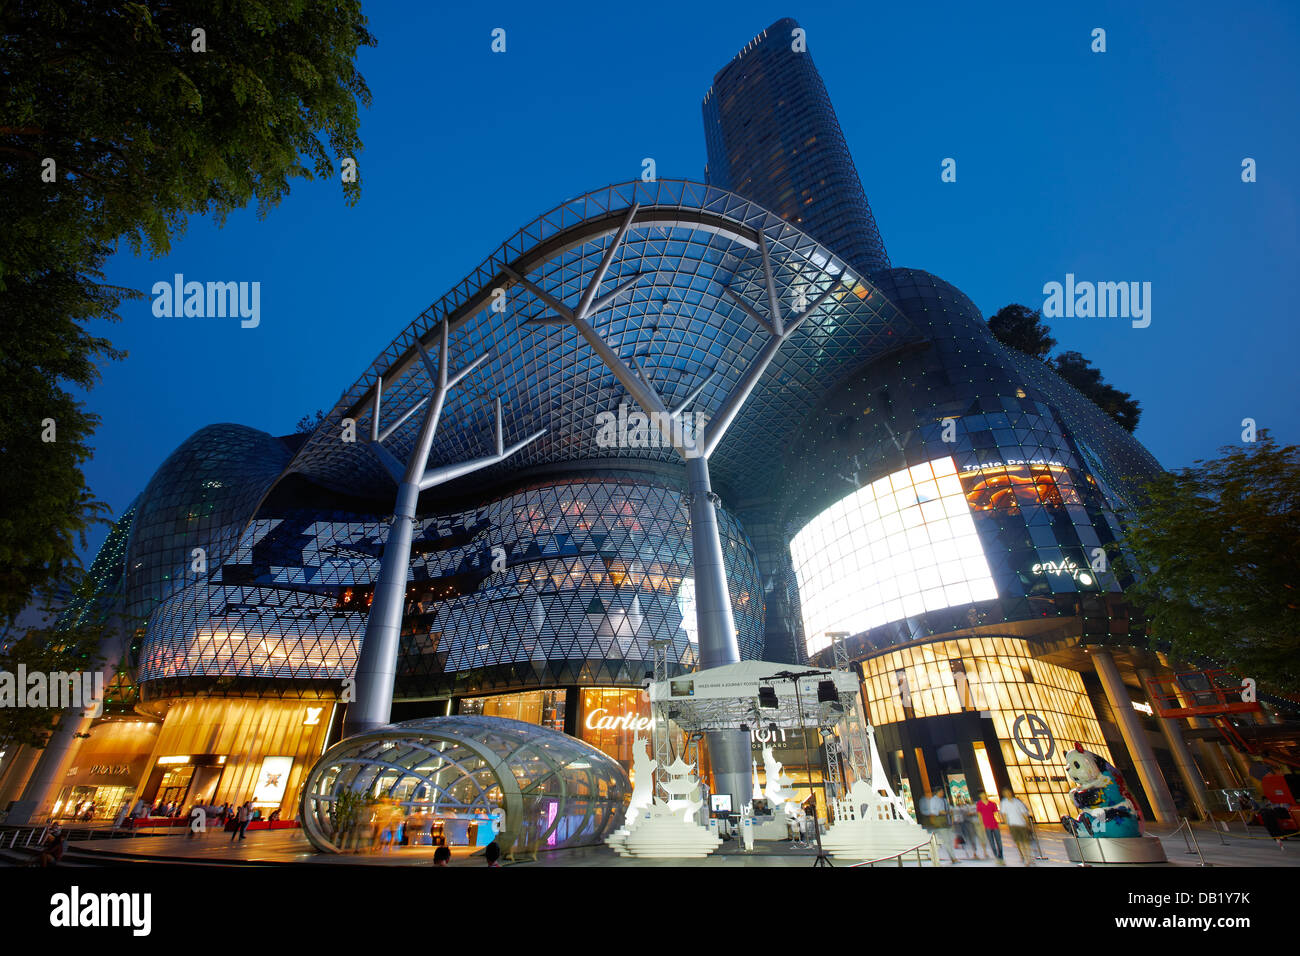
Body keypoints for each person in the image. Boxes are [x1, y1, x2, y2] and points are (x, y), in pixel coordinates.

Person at [922, 788, 959, 864]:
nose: (942, 793)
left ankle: (953, 856)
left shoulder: (944, 800)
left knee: (949, 840)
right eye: (941, 791)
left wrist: (950, 814)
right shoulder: (934, 800)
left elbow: (948, 809)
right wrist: (940, 812)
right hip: (940, 822)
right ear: (938, 792)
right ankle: (953, 857)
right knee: (946, 840)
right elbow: (932, 811)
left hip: (947, 821)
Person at [1000, 788, 1034, 865]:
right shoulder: (1004, 803)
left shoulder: (1017, 802)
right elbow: (1004, 814)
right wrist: (1007, 824)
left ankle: (1028, 858)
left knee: (1025, 842)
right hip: (1012, 825)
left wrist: (1027, 824)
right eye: (1006, 793)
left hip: (1021, 824)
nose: (1008, 794)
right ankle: (1025, 858)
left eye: (1009, 792)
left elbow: (1024, 813)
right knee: (1019, 842)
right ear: (1004, 794)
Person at [976, 791, 1004, 863]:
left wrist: (999, 822)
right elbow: (979, 815)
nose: (983, 796)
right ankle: (996, 855)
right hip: (986, 824)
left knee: (998, 840)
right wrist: (982, 824)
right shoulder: (979, 804)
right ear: (980, 795)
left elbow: (996, 814)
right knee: (991, 841)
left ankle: (1001, 854)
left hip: (994, 823)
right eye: (981, 795)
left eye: (984, 794)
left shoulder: (992, 803)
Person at [953, 794, 984, 860]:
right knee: (964, 839)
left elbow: (974, 812)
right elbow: (955, 817)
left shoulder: (967, 807)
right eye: (958, 800)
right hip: (960, 825)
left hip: (968, 823)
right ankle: (968, 853)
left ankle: (974, 853)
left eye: (961, 799)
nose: (960, 801)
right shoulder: (955, 808)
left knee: (972, 838)